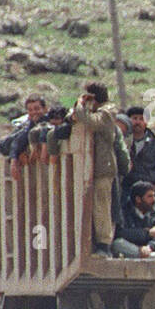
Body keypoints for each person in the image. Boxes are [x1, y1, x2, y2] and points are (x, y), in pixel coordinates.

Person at [60, 82, 129, 255]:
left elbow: (92, 123)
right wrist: (78, 107)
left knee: (101, 205)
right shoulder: (90, 110)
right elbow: (72, 117)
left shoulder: (108, 112)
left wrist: (82, 105)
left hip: (102, 166)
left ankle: (104, 243)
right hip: (84, 166)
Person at [113, 180, 155, 258]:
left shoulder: (154, 214)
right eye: (149, 196)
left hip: (148, 248)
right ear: (138, 199)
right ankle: (151, 257)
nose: (154, 200)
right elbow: (120, 233)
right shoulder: (124, 212)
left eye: (154, 196)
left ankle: (150, 256)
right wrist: (147, 233)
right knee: (117, 244)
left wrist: (149, 247)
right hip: (131, 247)